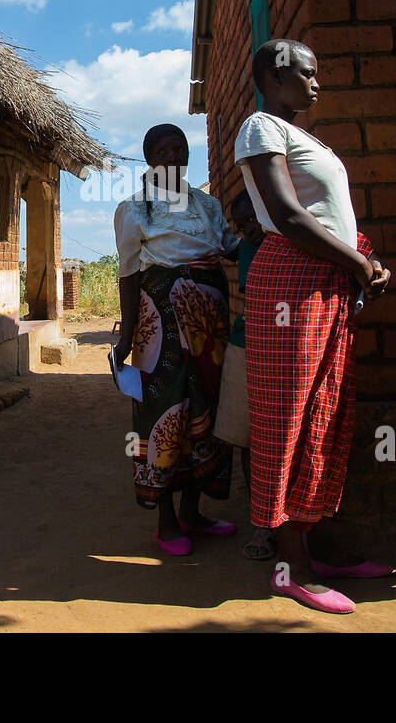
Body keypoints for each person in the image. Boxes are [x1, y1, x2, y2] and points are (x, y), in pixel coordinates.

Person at [234, 39, 392, 615]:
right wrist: (356, 263)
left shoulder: (304, 137)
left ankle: (319, 544)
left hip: (326, 281)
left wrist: (360, 264)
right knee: (289, 414)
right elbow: (287, 214)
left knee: (326, 409)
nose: (316, 83)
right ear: (275, 77)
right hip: (293, 283)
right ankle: (290, 566)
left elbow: (326, 216)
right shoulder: (259, 128)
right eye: (307, 73)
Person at [113, 124, 240, 555]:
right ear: (149, 158)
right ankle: (166, 522)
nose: (171, 156)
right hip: (161, 322)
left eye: (179, 149)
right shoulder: (135, 209)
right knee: (164, 410)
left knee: (208, 407)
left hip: (209, 323)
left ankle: (193, 512)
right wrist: (127, 334)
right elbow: (129, 275)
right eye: (162, 150)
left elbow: (230, 249)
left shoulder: (206, 204)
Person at [211, 190, 274, 561]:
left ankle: (280, 521)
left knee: (273, 438)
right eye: (241, 225)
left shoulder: (286, 243)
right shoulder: (251, 249)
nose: (249, 229)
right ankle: (262, 522)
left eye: (253, 219)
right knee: (248, 439)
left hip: (278, 350)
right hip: (246, 345)